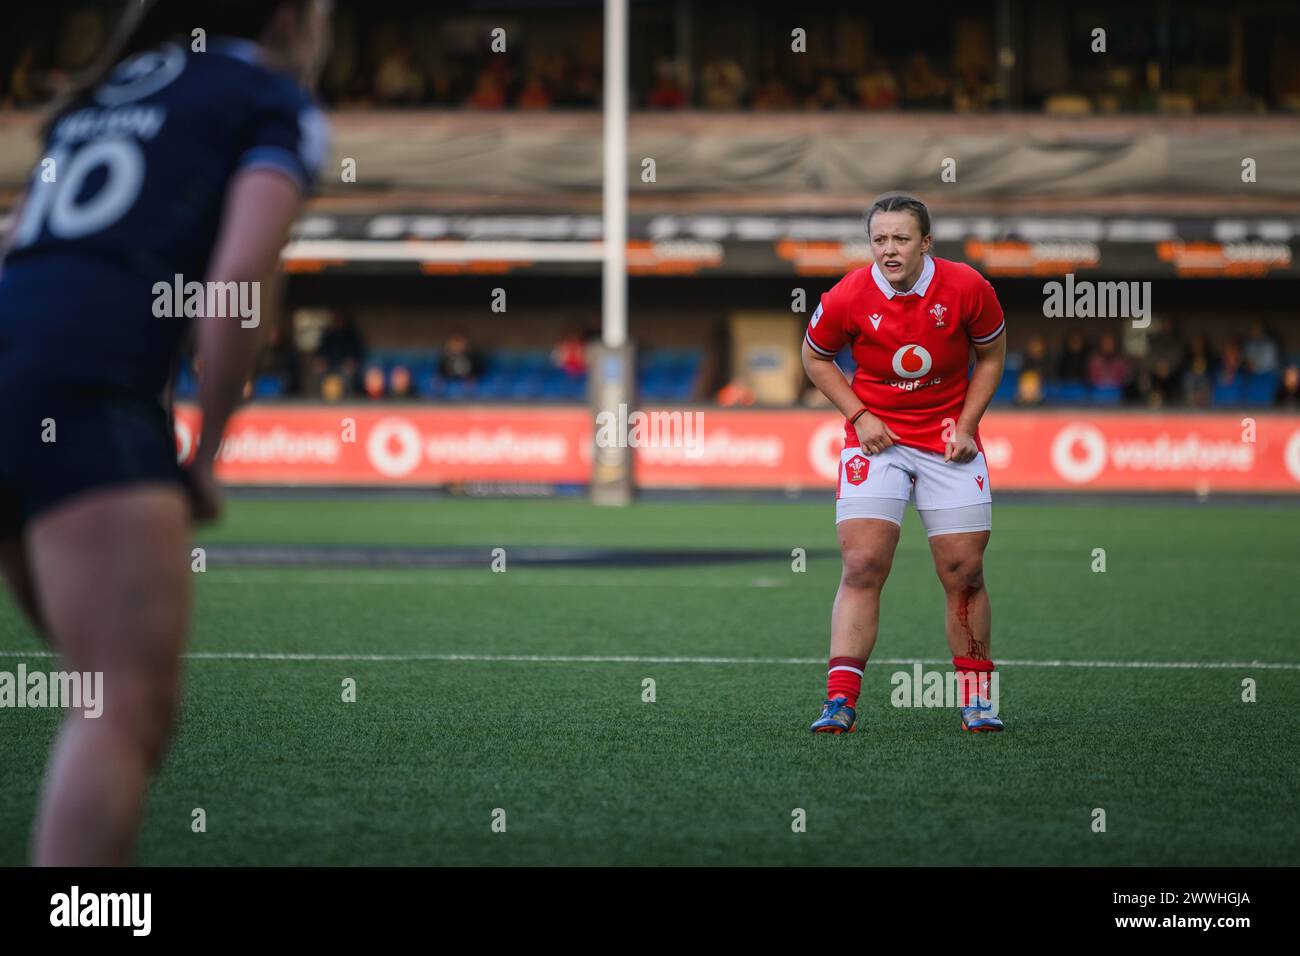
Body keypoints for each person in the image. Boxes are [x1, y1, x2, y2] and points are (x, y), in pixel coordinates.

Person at [0, 0, 332, 865]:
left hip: (19, 368)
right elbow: (238, 278)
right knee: (121, 705)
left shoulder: (107, 91)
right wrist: (208, 448)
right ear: (294, 15)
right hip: (85, 393)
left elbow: (20, 246)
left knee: (96, 686)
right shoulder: (265, 99)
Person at [802, 193, 1007, 735]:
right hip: (877, 442)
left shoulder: (968, 287)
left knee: (964, 572)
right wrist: (860, 414)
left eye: (900, 239)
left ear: (926, 242)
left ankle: (977, 697)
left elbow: (992, 356)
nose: (888, 250)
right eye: (879, 240)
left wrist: (965, 425)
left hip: (949, 442)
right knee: (863, 565)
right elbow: (814, 355)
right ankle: (840, 701)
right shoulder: (849, 292)